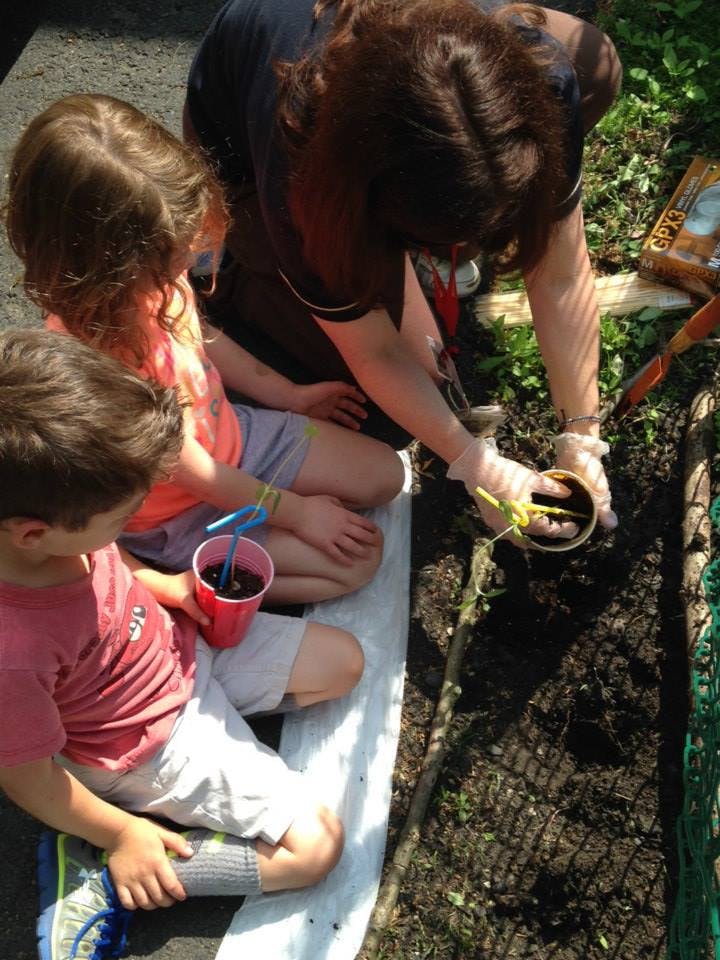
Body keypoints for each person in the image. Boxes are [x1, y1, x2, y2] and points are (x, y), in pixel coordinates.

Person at [184, 0, 622, 542]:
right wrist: (474, 464)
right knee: (379, 414)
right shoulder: (298, 174)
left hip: (386, 150)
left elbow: (560, 277)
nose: (466, 250)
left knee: (598, 65)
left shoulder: (539, 79)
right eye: (440, 243)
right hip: (242, 152)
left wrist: (583, 434)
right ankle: (242, 284)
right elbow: (374, 351)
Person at [0, 329, 364, 960]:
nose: (131, 524)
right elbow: (25, 777)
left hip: (176, 650)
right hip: (142, 741)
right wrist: (122, 833)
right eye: (121, 518)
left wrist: (162, 584)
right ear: (33, 533)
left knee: (343, 664)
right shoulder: (11, 649)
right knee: (316, 848)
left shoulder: (47, 528)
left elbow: (109, 565)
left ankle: (166, 800)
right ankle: (109, 871)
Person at [5, 93, 405, 605]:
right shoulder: (97, 363)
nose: (190, 261)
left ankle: (259, 531)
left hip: (234, 438)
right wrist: (296, 512)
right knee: (355, 565)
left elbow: (201, 334)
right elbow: (188, 469)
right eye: (174, 258)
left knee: (384, 475)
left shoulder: (149, 285)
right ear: (111, 261)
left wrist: (287, 395)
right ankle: (188, 587)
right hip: (178, 508)